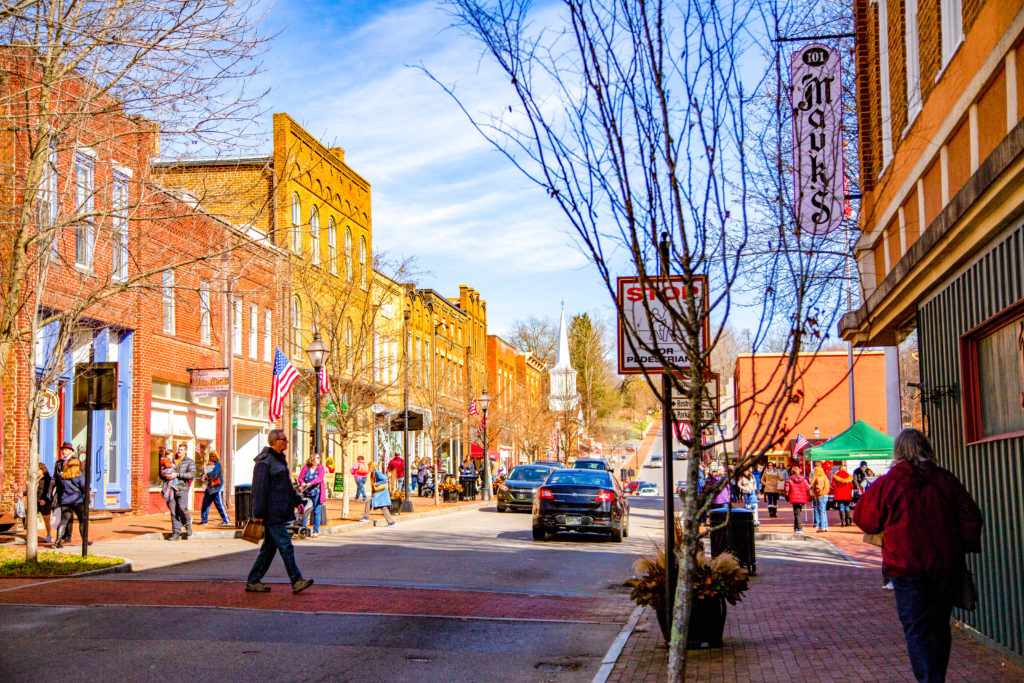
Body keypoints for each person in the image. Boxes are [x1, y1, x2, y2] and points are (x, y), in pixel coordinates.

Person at [854, 428, 982, 683]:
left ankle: (929, 679)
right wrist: (959, 546)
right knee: (939, 626)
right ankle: (935, 677)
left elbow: (865, 519)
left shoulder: (887, 484)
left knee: (916, 629)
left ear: (899, 451)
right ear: (926, 448)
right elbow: (971, 516)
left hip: (905, 568)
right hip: (944, 566)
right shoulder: (944, 480)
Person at [246, 429, 314, 594]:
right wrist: (259, 513)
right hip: (271, 513)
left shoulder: (279, 461)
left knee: (268, 549)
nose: (286, 442)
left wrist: (297, 501)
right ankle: (296, 580)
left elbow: (287, 486)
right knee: (285, 545)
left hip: (278, 511)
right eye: (284, 439)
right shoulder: (264, 462)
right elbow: (259, 490)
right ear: (274, 441)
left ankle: (253, 580)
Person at [54, 457, 88, 549]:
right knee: (82, 520)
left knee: (63, 521)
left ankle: (58, 540)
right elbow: (84, 487)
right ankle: (85, 540)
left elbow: (60, 487)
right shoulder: (79, 475)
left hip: (65, 500)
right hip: (77, 500)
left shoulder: (63, 476)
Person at [165, 445, 195, 540]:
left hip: (182, 488)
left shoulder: (189, 461)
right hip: (171, 489)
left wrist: (177, 475)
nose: (179, 451)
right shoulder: (171, 460)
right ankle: (176, 533)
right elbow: (162, 471)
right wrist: (165, 475)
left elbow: (191, 474)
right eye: (178, 449)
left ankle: (187, 525)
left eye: (181, 450)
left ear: (185, 451)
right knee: (173, 512)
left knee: (182, 508)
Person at [198, 451, 231, 526]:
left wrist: (207, 475)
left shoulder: (218, 464)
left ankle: (226, 520)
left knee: (219, 504)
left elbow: (215, 472)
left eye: (213, 456)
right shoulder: (209, 464)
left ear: (216, 457)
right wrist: (202, 473)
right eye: (210, 456)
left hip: (217, 487)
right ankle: (204, 520)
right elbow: (204, 472)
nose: (212, 458)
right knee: (205, 503)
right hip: (209, 487)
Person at [50, 442, 74, 543]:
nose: (64, 451)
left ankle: (67, 535)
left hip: (70, 492)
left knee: (68, 513)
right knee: (59, 512)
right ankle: (60, 535)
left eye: (66, 450)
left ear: (71, 451)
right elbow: (54, 477)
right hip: (60, 491)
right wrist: (50, 489)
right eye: (63, 450)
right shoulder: (59, 463)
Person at [298, 454, 326, 537]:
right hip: (307, 492)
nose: (319, 459)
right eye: (317, 458)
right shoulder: (306, 467)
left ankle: (315, 531)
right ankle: (303, 530)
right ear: (313, 459)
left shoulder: (320, 468)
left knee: (316, 511)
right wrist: (302, 482)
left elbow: (320, 478)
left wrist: (311, 483)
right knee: (305, 511)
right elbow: (300, 478)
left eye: (319, 458)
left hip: (318, 493)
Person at [783, 466, 811, 533]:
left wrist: (787, 497)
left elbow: (786, 490)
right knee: (798, 513)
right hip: (802, 497)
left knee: (797, 513)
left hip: (794, 497)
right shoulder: (804, 479)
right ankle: (796, 528)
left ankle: (799, 528)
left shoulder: (789, 480)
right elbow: (808, 488)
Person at [831, 462, 854, 527]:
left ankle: (843, 521)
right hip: (847, 494)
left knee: (841, 507)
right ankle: (848, 521)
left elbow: (833, 485)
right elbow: (851, 486)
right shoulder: (849, 476)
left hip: (839, 494)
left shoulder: (835, 476)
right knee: (847, 506)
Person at [810, 464, 830, 532]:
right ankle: (825, 526)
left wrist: (813, 488)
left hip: (820, 495)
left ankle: (822, 527)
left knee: (820, 511)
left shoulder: (818, 478)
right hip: (825, 495)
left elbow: (819, 488)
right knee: (823, 511)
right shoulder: (825, 477)